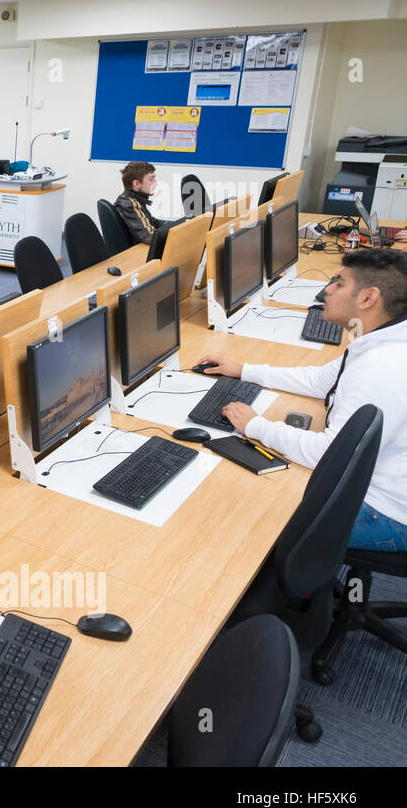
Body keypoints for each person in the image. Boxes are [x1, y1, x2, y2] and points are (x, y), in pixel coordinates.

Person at [198, 248, 407, 552]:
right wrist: (244, 370)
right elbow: (320, 381)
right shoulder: (384, 339)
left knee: (252, 525)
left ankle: (283, 592)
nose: (327, 291)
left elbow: (329, 456)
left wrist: (257, 426)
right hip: (376, 487)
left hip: (385, 514)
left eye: (339, 283)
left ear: (367, 299)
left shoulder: (380, 368)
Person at [113, 161, 170, 246]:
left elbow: (154, 223)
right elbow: (149, 237)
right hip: (134, 254)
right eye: (151, 179)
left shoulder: (134, 200)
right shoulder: (129, 204)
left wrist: (181, 224)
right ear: (136, 184)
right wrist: (176, 233)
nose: (156, 182)